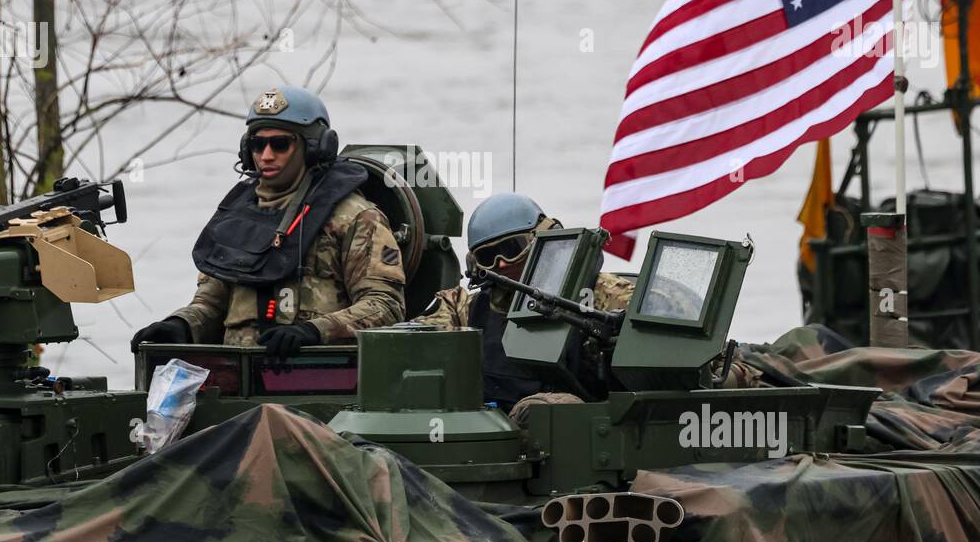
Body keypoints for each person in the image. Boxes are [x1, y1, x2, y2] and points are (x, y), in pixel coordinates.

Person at [131, 86, 406, 361]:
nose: (266, 155)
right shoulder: (237, 217)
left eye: (280, 144)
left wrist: (314, 331)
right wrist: (180, 325)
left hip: (319, 379)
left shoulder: (356, 218)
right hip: (238, 381)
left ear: (314, 148)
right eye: (257, 144)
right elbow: (210, 304)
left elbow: (385, 307)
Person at [412, 192, 633, 409]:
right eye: (488, 257)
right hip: (496, 435)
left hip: (580, 433)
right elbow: (417, 342)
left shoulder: (601, 293)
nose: (501, 264)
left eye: (512, 249)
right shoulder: (468, 308)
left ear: (542, 239)